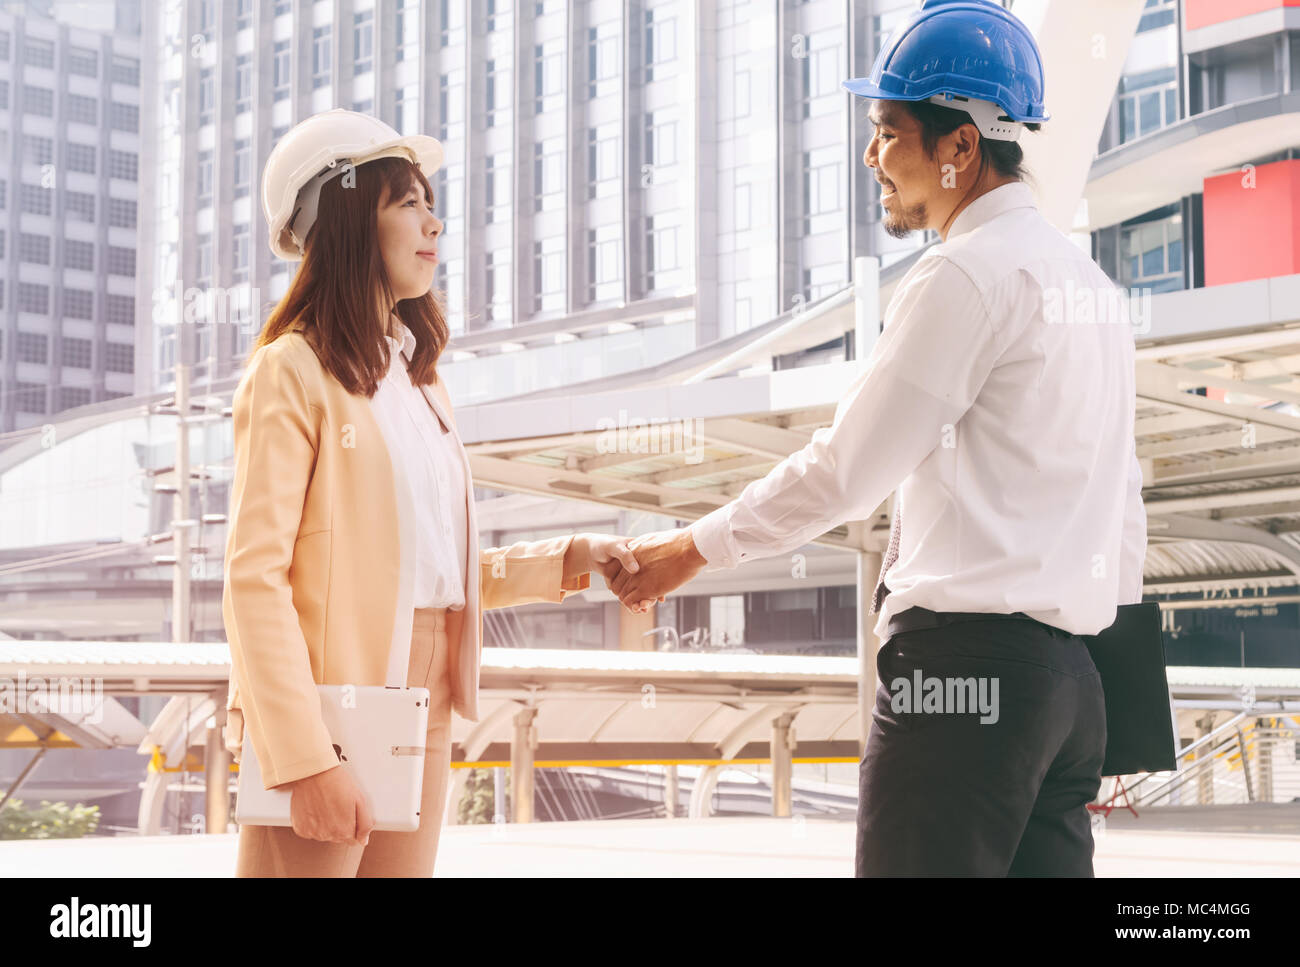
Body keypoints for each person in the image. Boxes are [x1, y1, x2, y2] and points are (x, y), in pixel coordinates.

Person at [609, 0, 1147, 876]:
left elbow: (848, 470)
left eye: (888, 129)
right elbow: (1123, 508)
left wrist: (691, 546)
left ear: (959, 147)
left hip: (964, 680)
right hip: (1070, 691)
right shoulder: (1093, 289)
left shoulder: (965, 275)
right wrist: (1081, 687)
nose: (873, 157)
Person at [223, 109, 639, 877]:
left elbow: (423, 566)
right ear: (347, 214)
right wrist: (304, 756)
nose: (435, 222)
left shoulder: (420, 383)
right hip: (333, 707)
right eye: (408, 201)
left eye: (429, 202)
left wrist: (569, 558)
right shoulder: (291, 370)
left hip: (426, 695)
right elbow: (254, 581)